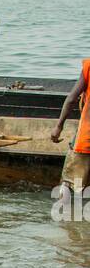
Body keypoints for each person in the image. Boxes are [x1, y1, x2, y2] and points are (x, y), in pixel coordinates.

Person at [51, 59, 90, 203]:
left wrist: (59, 126)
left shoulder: (89, 66)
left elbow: (72, 99)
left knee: (69, 184)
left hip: (86, 139)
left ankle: (63, 218)